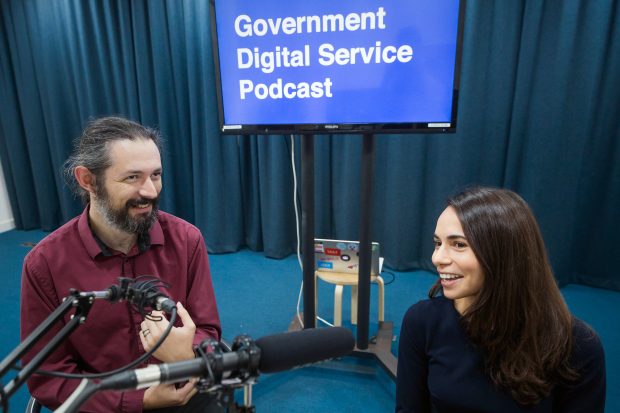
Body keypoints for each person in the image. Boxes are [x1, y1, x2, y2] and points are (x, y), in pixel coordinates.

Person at [20, 116, 222, 412]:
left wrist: (187, 353)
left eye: (156, 175)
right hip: (102, 404)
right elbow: (47, 376)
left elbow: (207, 330)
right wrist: (139, 401)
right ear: (87, 180)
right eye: (132, 177)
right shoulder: (44, 265)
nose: (151, 192)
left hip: (184, 389)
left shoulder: (186, 240)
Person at [395, 187, 606, 412]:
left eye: (458, 244)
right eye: (438, 243)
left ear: (504, 254)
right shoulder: (422, 322)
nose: (437, 258)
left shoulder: (577, 346)